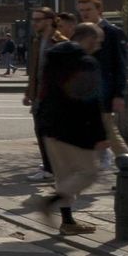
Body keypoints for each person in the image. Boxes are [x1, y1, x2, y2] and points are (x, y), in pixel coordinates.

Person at [33, 22, 106, 236]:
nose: (98, 46)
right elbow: (91, 101)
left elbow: (44, 90)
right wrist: (100, 134)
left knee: (64, 175)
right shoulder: (86, 62)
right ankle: (51, 201)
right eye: (98, 41)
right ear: (89, 39)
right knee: (89, 173)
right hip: (76, 128)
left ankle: (68, 221)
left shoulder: (52, 57)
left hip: (50, 125)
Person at [77, 0, 128, 189]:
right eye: (81, 10)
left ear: (99, 10)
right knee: (104, 134)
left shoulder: (112, 33)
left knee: (111, 133)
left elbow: (121, 66)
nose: (84, 14)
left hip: (104, 94)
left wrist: (119, 94)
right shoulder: (81, 32)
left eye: (88, 10)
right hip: (86, 94)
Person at [20, 7, 64, 183]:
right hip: (39, 94)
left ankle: (53, 168)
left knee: (50, 132)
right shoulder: (38, 40)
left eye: (38, 20)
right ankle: (48, 168)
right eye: (33, 20)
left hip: (53, 96)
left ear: (49, 20)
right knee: (40, 131)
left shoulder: (59, 41)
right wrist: (29, 92)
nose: (34, 23)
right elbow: (34, 70)